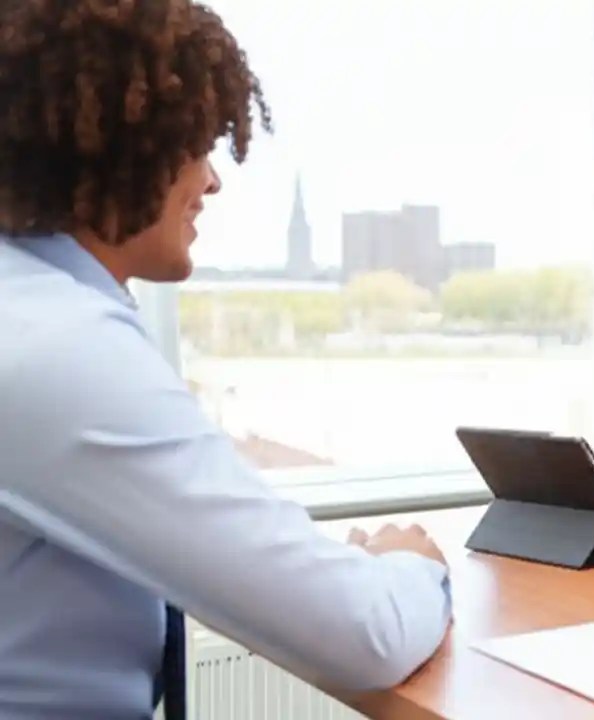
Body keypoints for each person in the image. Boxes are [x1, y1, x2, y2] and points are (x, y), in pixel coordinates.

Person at [0, 2, 451, 718]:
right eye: (197, 147)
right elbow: (368, 636)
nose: (212, 181)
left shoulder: (27, 307)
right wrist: (411, 567)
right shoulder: (61, 349)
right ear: (125, 143)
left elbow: (205, 512)